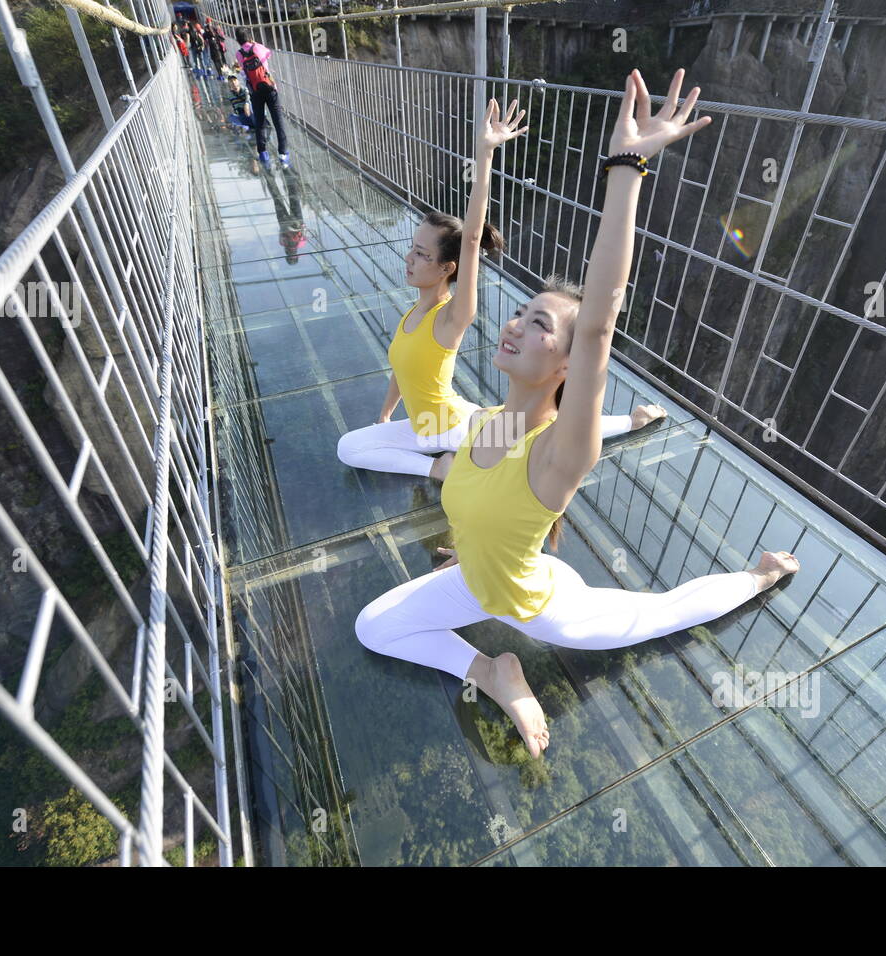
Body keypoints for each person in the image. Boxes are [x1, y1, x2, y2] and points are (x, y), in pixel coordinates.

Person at [354, 70, 801, 759]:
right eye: (521, 313)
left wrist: (628, 168)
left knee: (657, 616)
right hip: (477, 582)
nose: (512, 327)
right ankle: (494, 671)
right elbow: (475, 497)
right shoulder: (488, 423)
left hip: (541, 605)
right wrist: (466, 552)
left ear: (565, 365)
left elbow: (596, 325)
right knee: (373, 626)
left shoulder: (557, 452)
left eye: (537, 326)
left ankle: (761, 575)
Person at [336, 97, 666, 481]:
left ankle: (439, 467)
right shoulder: (414, 312)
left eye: (421, 254)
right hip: (437, 420)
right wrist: (385, 416)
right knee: (351, 446)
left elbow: (472, 238)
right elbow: (400, 368)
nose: (408, 258)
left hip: (447, 429)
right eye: (412, 248)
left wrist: (484, 154)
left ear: (447, 268)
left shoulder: (451, 316)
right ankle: (447, 450)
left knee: (545, 430)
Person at [234, 28, 291, 168]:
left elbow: (243, 69)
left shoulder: (238, 53)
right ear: (250, 37)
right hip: (270, 89)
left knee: (260, 123)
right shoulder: (258, 47)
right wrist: (255, 43)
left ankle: (263, 153)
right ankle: (283, 154)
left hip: (255, 91)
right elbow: (269, 54)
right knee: (278, 122)